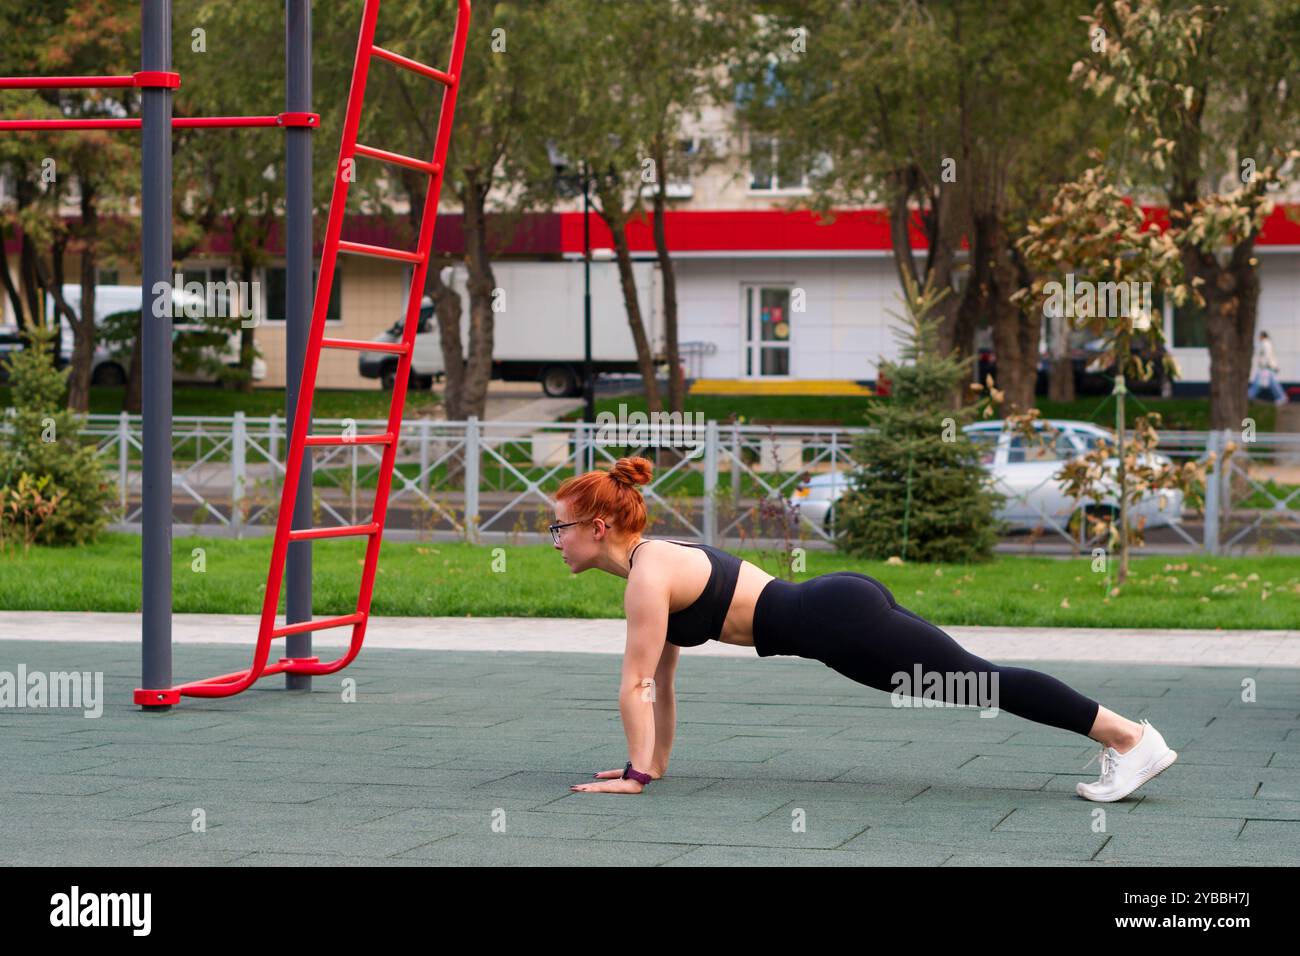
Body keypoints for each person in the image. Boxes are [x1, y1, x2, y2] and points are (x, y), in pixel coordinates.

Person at [558, 456, 1178, 802]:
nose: (555, 540)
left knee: (981, 684)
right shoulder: (652, 566)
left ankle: (1128, 738)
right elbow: (660, 684)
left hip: (838, 621)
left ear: (599, 526)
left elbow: (635, 683)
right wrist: (651, 766)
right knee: (975, 684)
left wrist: (636, 778)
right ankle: (1125, 740)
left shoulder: (648, 573)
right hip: (838, 615)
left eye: (562, 528)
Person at [1248, 331, 1289, 406]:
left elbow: (1266, 356)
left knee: (1259, 382)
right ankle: (1282, 397)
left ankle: (1250, 396)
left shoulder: (1265, 344)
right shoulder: (1267, 343)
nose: (1259, 338)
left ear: (1263, 336)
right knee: (1270, 383)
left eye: (1259, 336)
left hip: (1266, 367)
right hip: (1268, 367)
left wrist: (1263, 365)